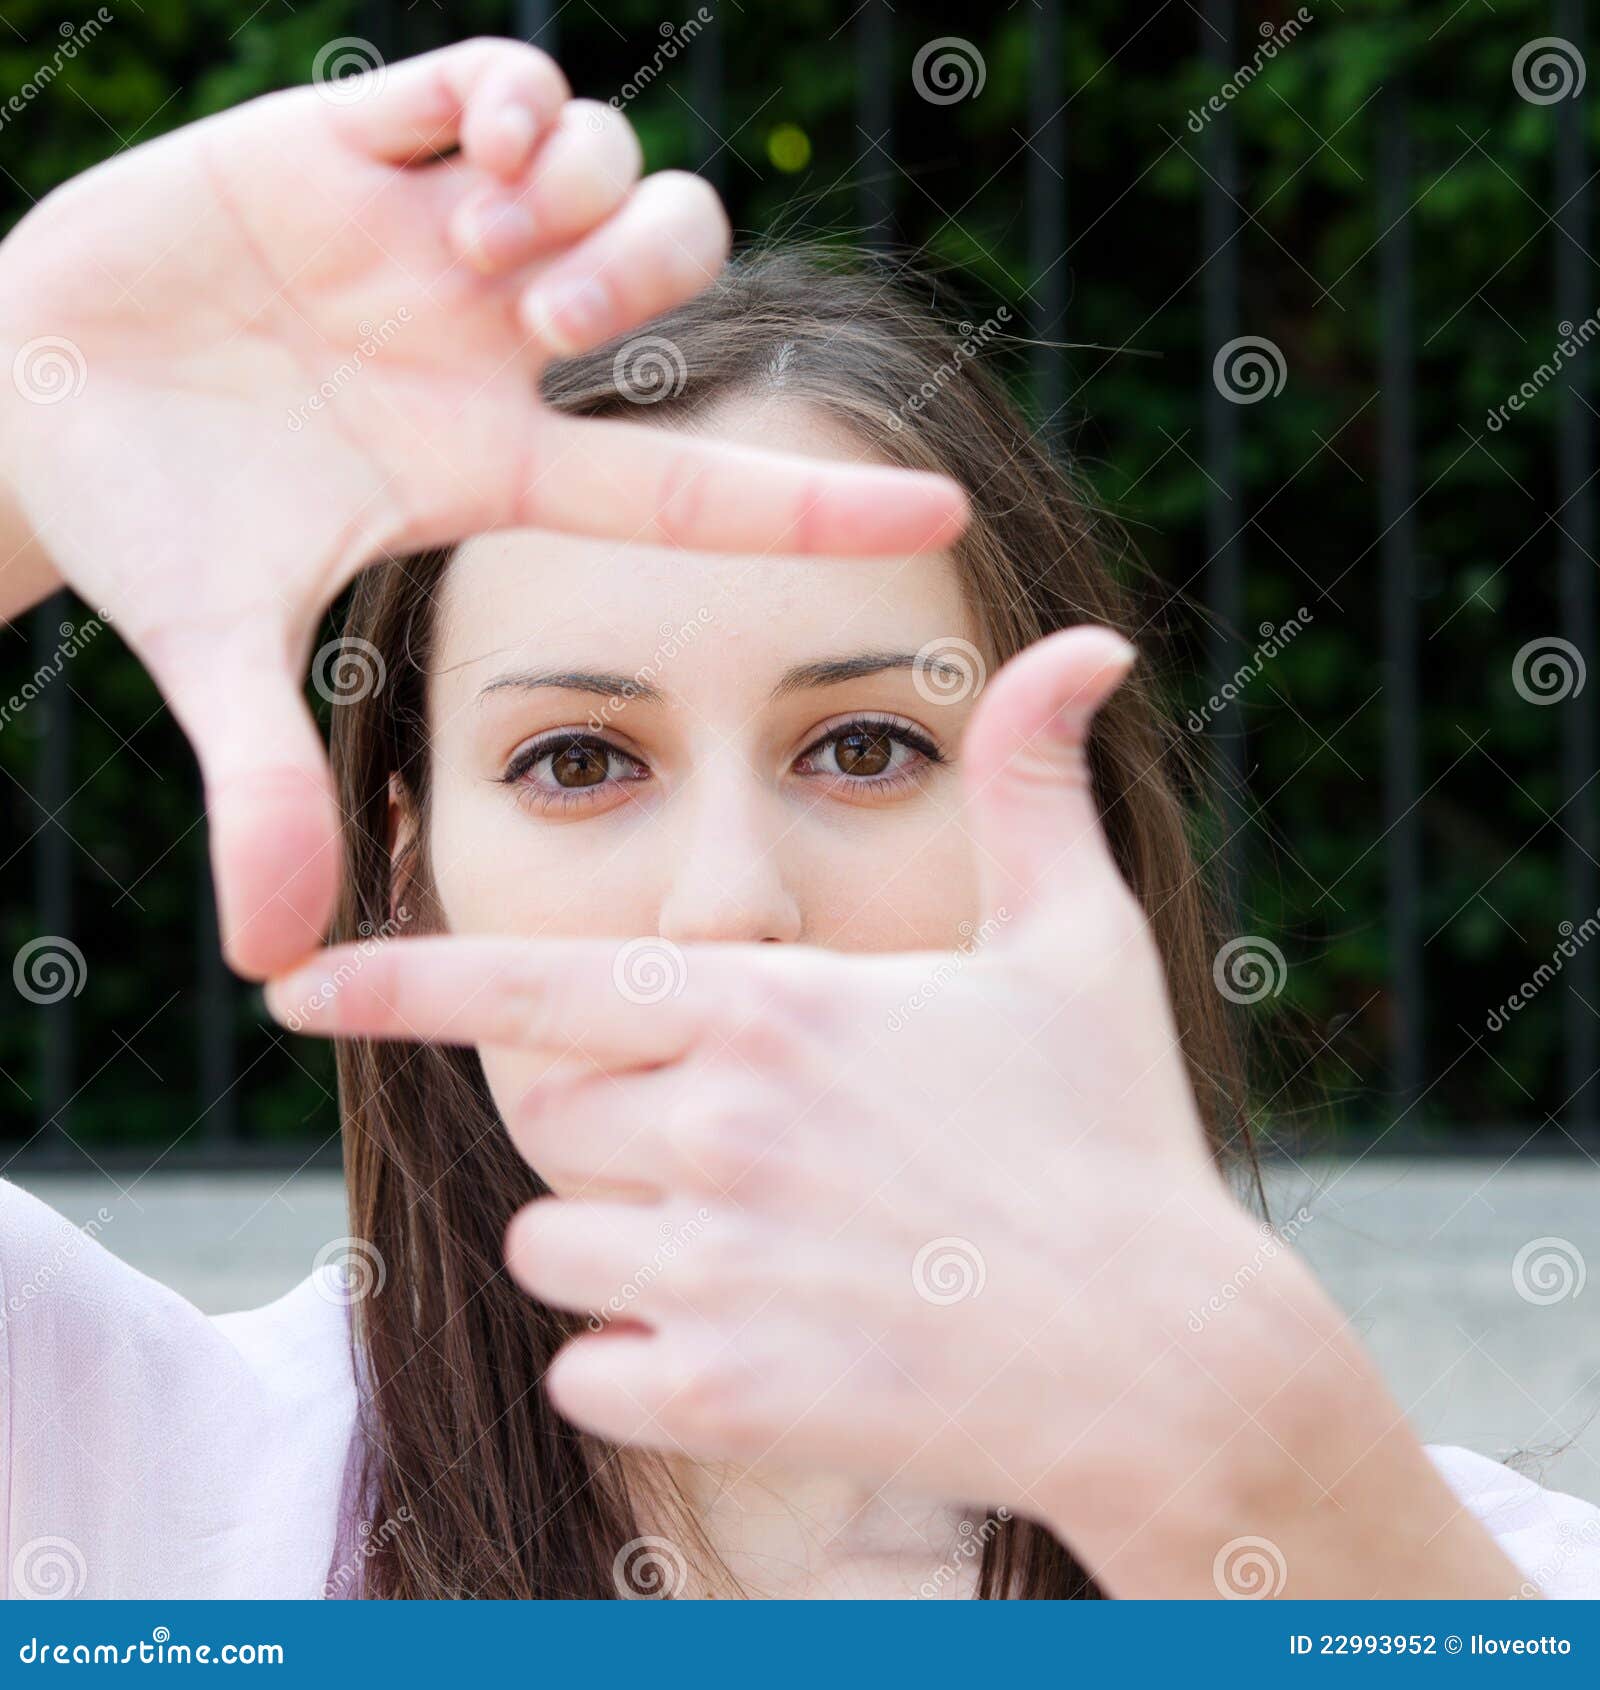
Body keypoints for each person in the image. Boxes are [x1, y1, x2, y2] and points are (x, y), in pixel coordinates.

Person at [1, 39, 1596, 1601]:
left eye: (865, 746)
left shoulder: (1450, 1579)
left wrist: (1259, 1475)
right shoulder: (132, 1480)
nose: (726, 909)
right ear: (413, 867)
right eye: (576, 760)